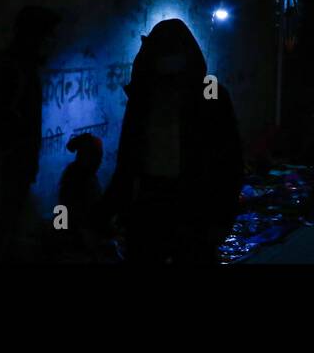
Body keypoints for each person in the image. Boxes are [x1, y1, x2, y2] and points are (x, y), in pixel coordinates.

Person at [99, 19, 242, 264]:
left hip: (195, 205)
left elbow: (229, 159)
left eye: (174, 51)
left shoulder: (211, 95)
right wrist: (108, 211)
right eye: (163, 52)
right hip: (150, 203)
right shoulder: (144, 97)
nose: (168, 59)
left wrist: (222, 217)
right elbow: (128, 159)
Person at [0, 5, 60, 263]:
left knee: (0, 240)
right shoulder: (11, 70)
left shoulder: (21, 69)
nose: (50, 42)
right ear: (33, 36)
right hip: (2, 174)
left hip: (8, 174)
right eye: (48, 35)